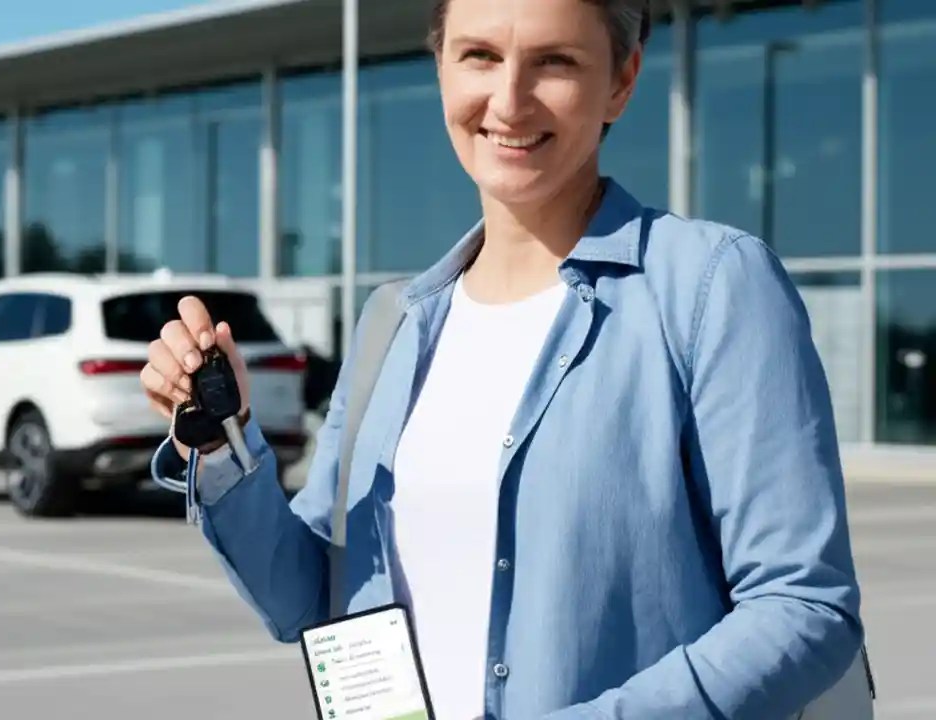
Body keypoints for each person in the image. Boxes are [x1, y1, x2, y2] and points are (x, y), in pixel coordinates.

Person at [142, 0, 864, 717]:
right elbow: (309, 598)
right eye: (480, 55)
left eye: (554, 61)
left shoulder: (710, 287)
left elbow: (803, 607)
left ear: (622, 78)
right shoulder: (392, 324)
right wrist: (223, 439)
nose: (509, 101)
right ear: (442, 67)